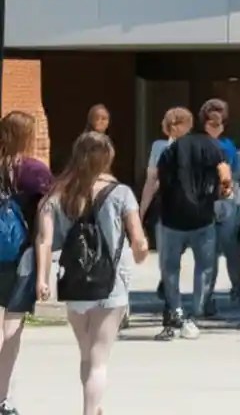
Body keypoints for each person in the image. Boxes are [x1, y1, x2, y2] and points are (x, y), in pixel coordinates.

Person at [34, 131, 148, 415]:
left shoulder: (58, 193)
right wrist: (140, 252)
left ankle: (94, 406)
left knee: (86, 355)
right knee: (99, 360)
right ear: (107, 158)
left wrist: (41, 279)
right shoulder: (121, 193)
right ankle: (90, 410)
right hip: (112, 284)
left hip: (74, 283)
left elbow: (44, 240)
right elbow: (139, 241)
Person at [153, 99, 232, 341]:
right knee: (205, 266)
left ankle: (175, 309)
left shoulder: (168, 152)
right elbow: (224, 172)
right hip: (202, 218)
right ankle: (195, 313)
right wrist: (224, 189)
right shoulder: (210, 145)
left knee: (170, 268)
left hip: (172, 219)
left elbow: (159, 182)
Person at [0, 112, 52, 415]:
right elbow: (49, 215)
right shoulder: (34, 170)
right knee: (13, 328)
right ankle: (3, 398)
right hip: (21, 254)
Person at [139, 108, 193, 314]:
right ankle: (171, 294)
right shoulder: (159, 147)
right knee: (168, 253)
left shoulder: (191, 145)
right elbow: (151, 180)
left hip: (183, 205)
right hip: (168, 205)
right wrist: (142, 210)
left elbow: (151, 181)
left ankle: (172, 292)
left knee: (173, 251)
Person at [205, 120, 240, 316]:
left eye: (219, 123)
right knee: (209, 251)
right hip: (208, 201)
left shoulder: (228, 145)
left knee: (231, 248)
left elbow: (235, 174)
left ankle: (236, 288)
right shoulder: (200, 144)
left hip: (227, 200)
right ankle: (208, 294)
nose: (215, 126)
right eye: (211, 123)